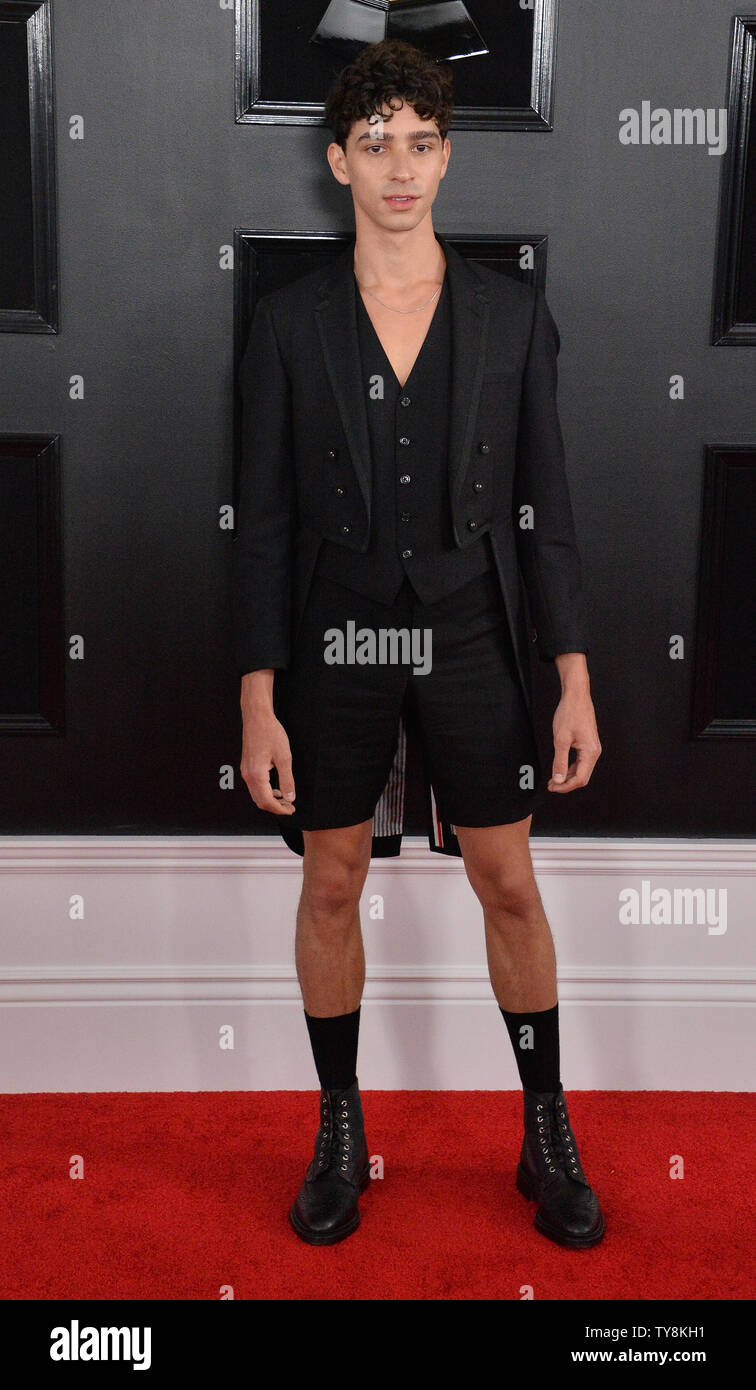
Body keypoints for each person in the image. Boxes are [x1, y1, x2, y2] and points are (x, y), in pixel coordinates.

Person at [233, 39, 604, 1249]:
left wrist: (572, 679)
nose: (403, 167)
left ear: (448, 155)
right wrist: (256, 697)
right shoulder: (289, 326)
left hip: (472, 622)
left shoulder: (510, 312)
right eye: (377, 142)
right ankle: (339, 1126)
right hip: (334, 629)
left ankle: (545, 1128)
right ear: (338, 161)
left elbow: (548, 501)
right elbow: (265, 524)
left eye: (423, 141)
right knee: (331, 875)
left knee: (508, 878)